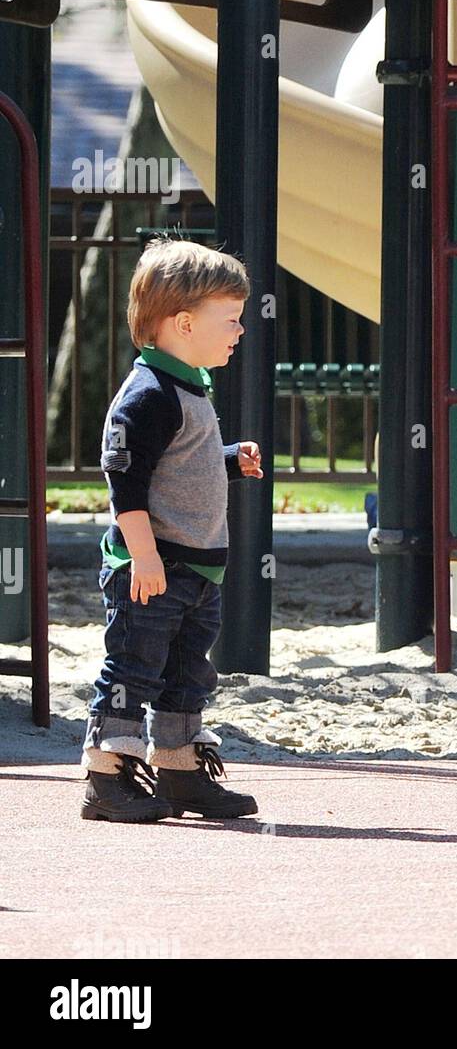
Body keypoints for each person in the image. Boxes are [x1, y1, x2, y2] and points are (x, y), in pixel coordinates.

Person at [80, 237, 263, 822]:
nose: (239, 330)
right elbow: (125, 484)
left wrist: (230, 458)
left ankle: (179, 770)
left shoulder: (190, 386)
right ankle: (106, 780)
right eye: (230, 319)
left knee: (188, 672)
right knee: (133, 666)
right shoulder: (149, 394)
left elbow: (182, 466)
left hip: (198, 566)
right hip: (153, 569)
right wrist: (144, 558)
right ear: (184, 323)